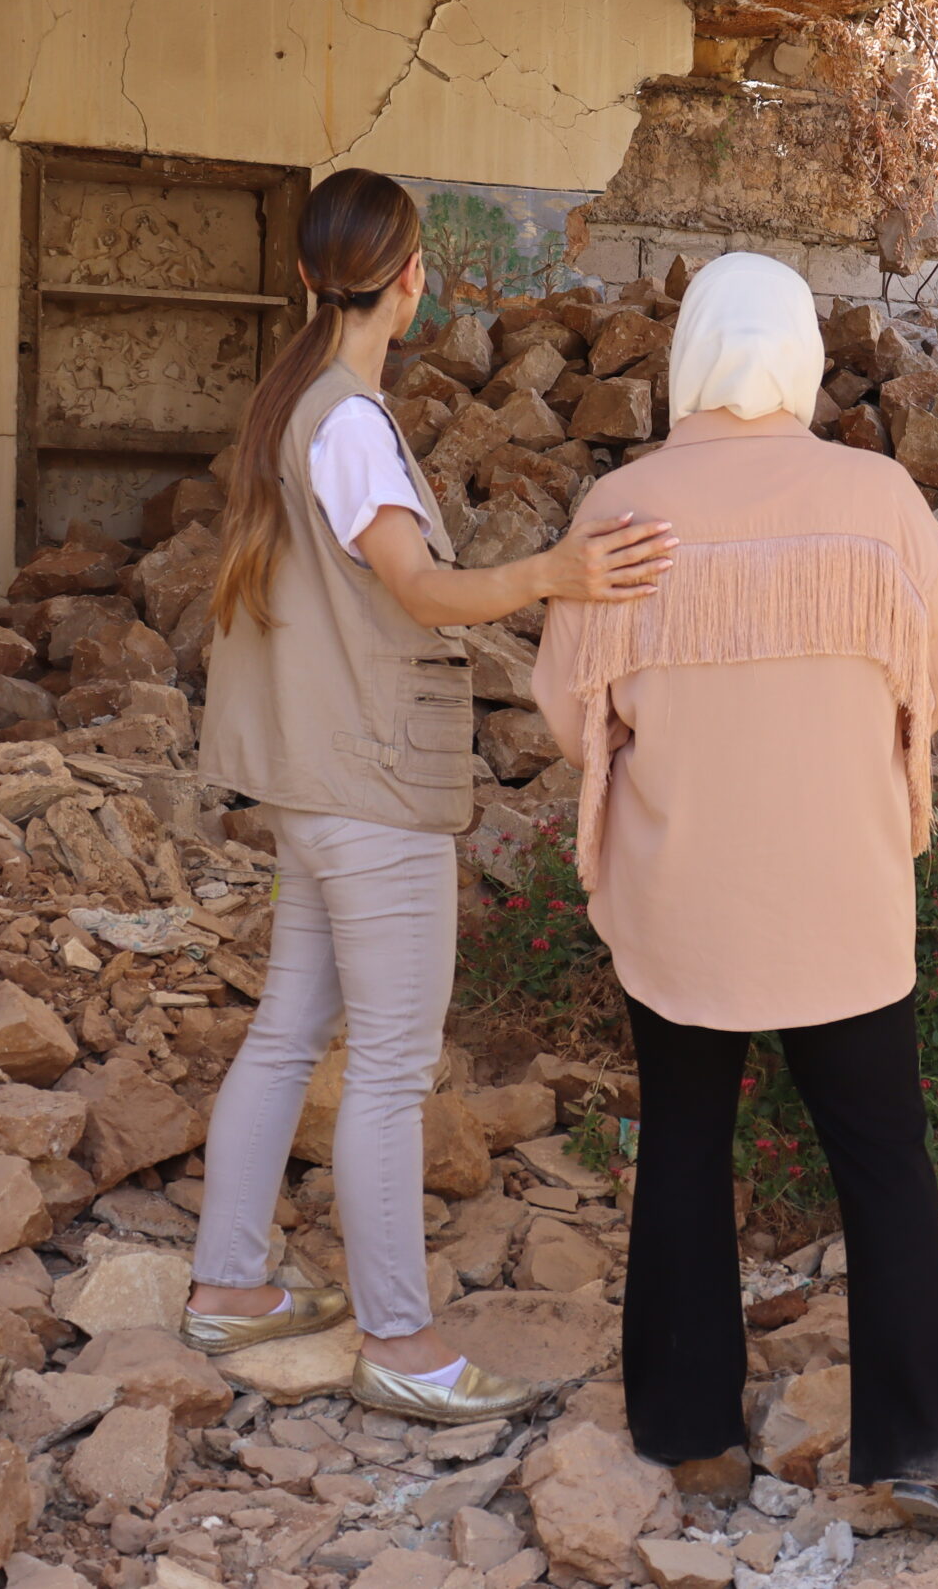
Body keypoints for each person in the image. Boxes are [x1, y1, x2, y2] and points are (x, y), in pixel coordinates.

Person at [186, 168, 676, 1425]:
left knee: (292, 1029)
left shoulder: (292, 402)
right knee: (393, 1066)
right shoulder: (348, 421)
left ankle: (230, 1286)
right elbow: (419, 588)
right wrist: (558, 573)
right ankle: (400, 1341)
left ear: (309, 276)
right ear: (412, 279)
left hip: (314, 779)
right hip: (370, 788)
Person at [531, 251, 938, 1532]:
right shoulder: (880, 498)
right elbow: (936, 680)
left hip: (685, 895)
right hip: (840, 891)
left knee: (683, 1146)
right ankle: (923, 1446)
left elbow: (571, 714)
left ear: (690, 354)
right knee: (884, 1160)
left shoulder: (621, 505)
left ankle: (690, 1437)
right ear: (796, 355)